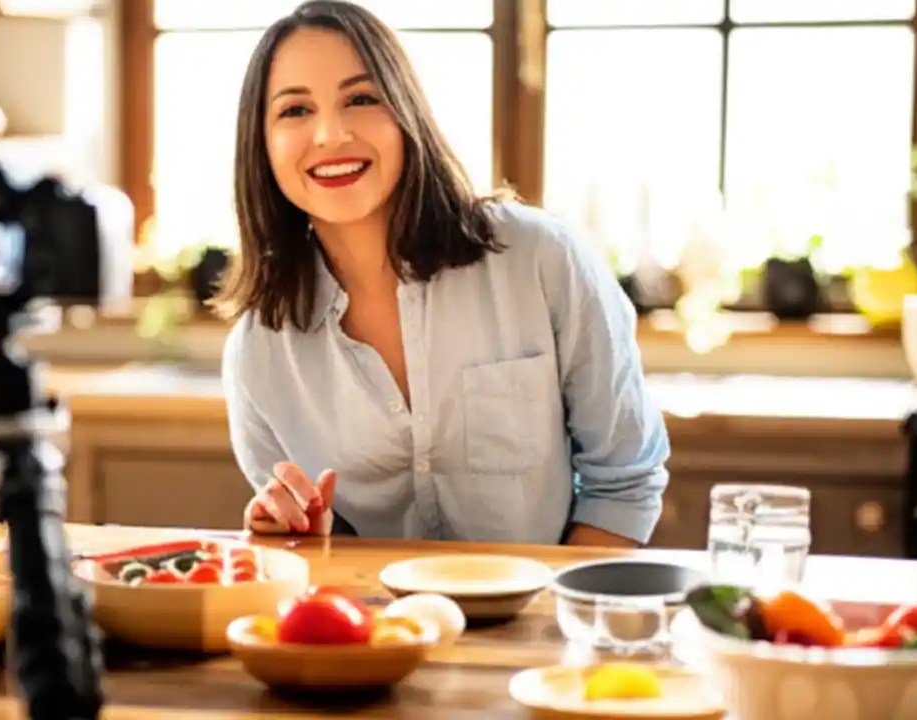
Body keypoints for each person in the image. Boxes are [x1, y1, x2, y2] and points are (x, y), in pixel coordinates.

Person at [212, 0, 670, 548]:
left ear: (407, 112)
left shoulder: (542, 259)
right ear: (261, 146)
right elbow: (318, 559)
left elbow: (624, 484)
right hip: (377, 629)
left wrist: (542, 623)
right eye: (295, 110)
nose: (330, 134)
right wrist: (290, 535)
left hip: (549, 621)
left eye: (361, 99)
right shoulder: (259, 352)